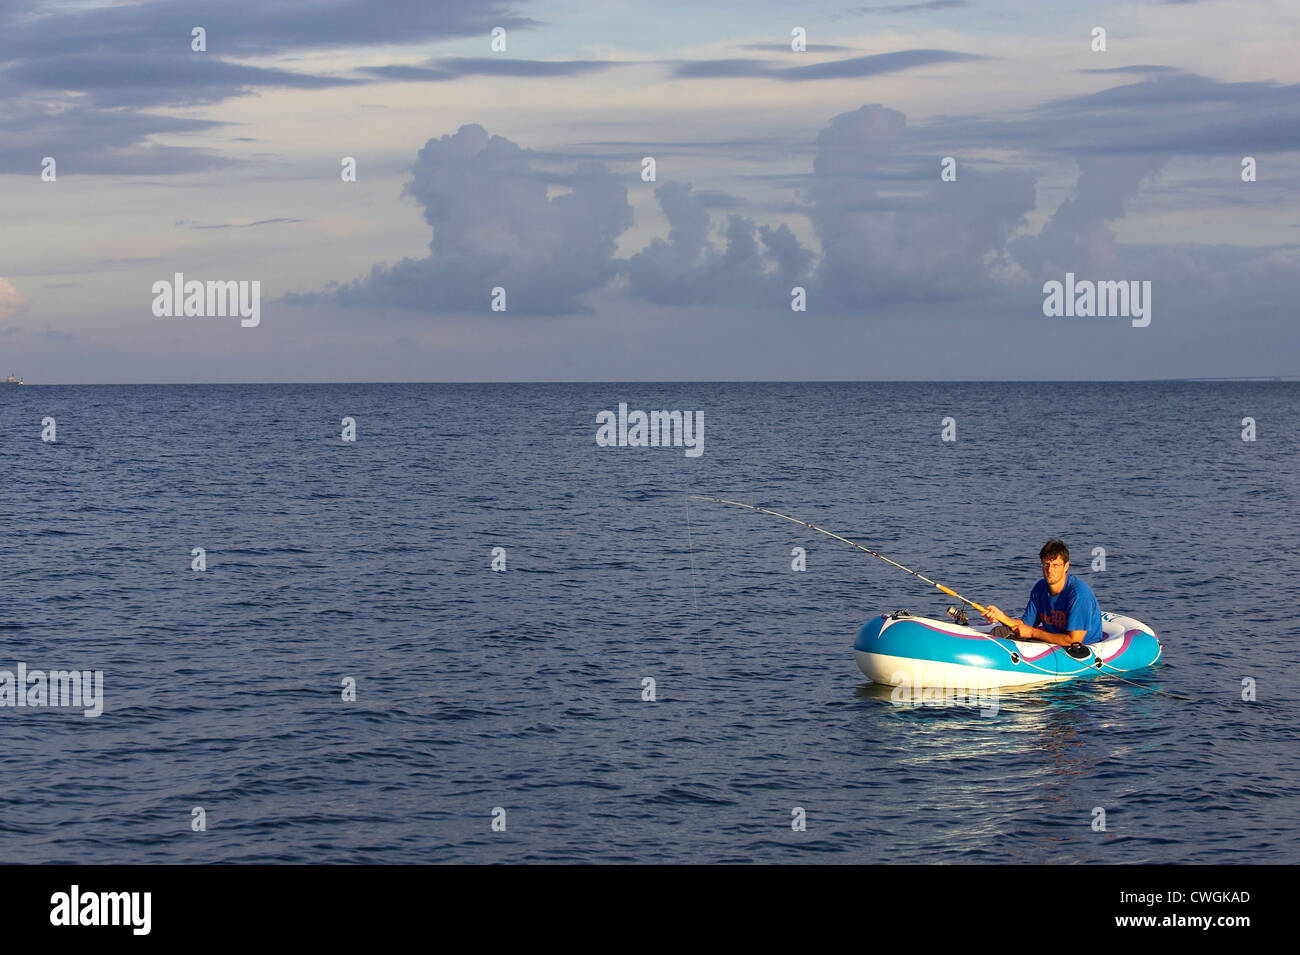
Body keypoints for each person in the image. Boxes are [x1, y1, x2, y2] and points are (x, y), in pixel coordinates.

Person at [983, 539, 1104, 646]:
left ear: (1066, 566)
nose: (1050, 570)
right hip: (1053, 642)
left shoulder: (1079, 593)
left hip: (1081, 647)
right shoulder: (1040, 588)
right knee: (999, 631)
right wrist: (1000, 616)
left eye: (1055, 565)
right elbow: (1025, 625)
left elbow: (1073, 640)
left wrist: (1033, 633)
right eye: (1046, 564)